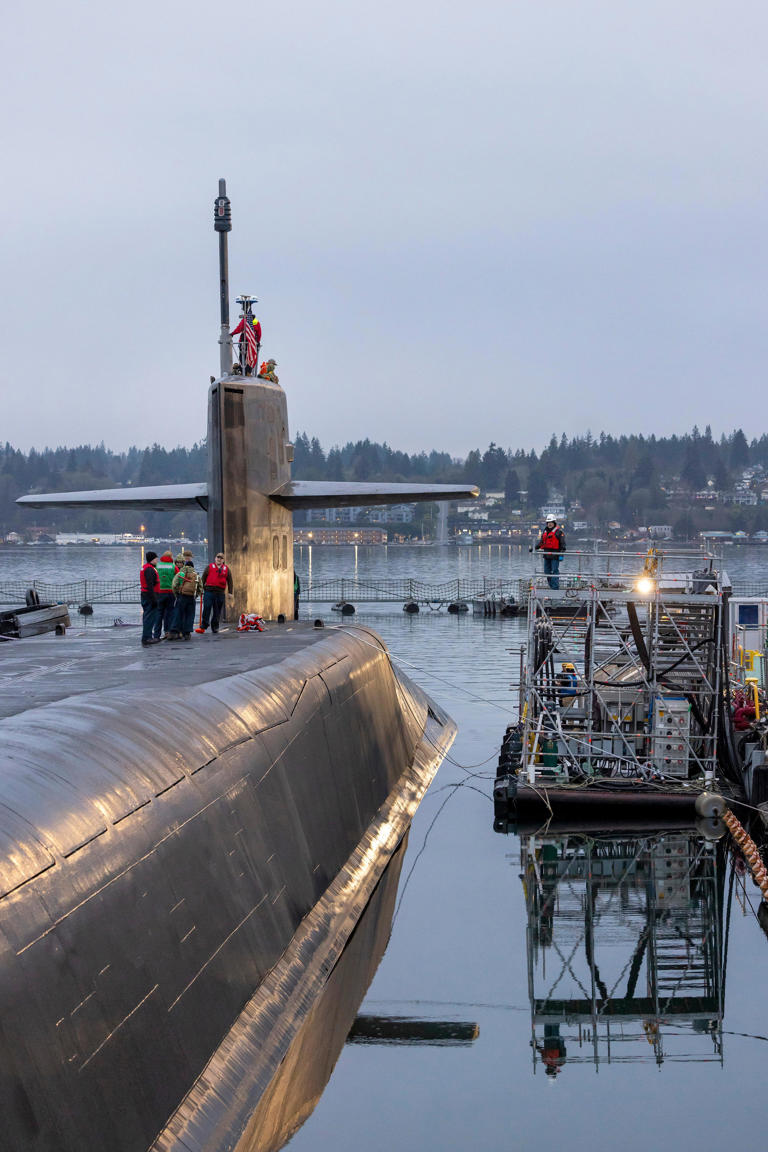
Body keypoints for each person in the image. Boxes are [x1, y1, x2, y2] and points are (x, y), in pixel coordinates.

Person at [168, 561, 203, 640]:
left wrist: (177, 594)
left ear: (185, 566)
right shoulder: (196, 576)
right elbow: (200, 588)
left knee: (178, 614)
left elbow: (174, 585)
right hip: (191, 598)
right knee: (190, 615)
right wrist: (195, 596)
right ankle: (187, 633)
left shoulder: (180, 574)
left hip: (181, 597)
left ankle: (174, 632)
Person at [199, 552, 233, 633]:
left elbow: (230, 581)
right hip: (209, 591)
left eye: (221, 558)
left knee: (217, 611)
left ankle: (215, 626)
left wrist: (230, 592)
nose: (219, 559)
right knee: (207, 607)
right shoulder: (209, 567)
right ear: (215, 558)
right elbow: (203, 578)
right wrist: (200, 589)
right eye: (218, 557)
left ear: (223, 560)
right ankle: (204, 624)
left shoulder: (226, 569)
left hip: (220, 592)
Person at [534, 517, 566, 589]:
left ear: (554, 523)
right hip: (546, 555)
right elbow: (541, 542)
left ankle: (555, 587)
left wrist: (561, 553)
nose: (549, 524)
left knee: (555, 570)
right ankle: (552, 585)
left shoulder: (559, 532)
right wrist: (534, 548)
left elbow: (563, 544)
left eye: (551, 522)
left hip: (555, 555)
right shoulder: (545, 531)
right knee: (546, 571)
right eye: (548, 523)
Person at [153, 549, 179, 639]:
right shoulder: (173, 566)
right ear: (171, 557)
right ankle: (167, 632)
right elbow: (179, 578)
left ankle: (156, 634)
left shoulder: (157, 565)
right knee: (169, 612)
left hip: (159, 592)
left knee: (159, 613)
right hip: (170, 592)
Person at [139, 551, 161, 646]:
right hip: (149, 596)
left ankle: (148, 635)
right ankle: (147, 637)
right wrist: (154, 600)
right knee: (149, 617)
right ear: (152, 559)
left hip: (145, 594)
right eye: (156, 558)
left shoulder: (147, 568)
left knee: (147, 616)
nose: (157, 560)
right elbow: (150, 585)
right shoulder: (150, 570)